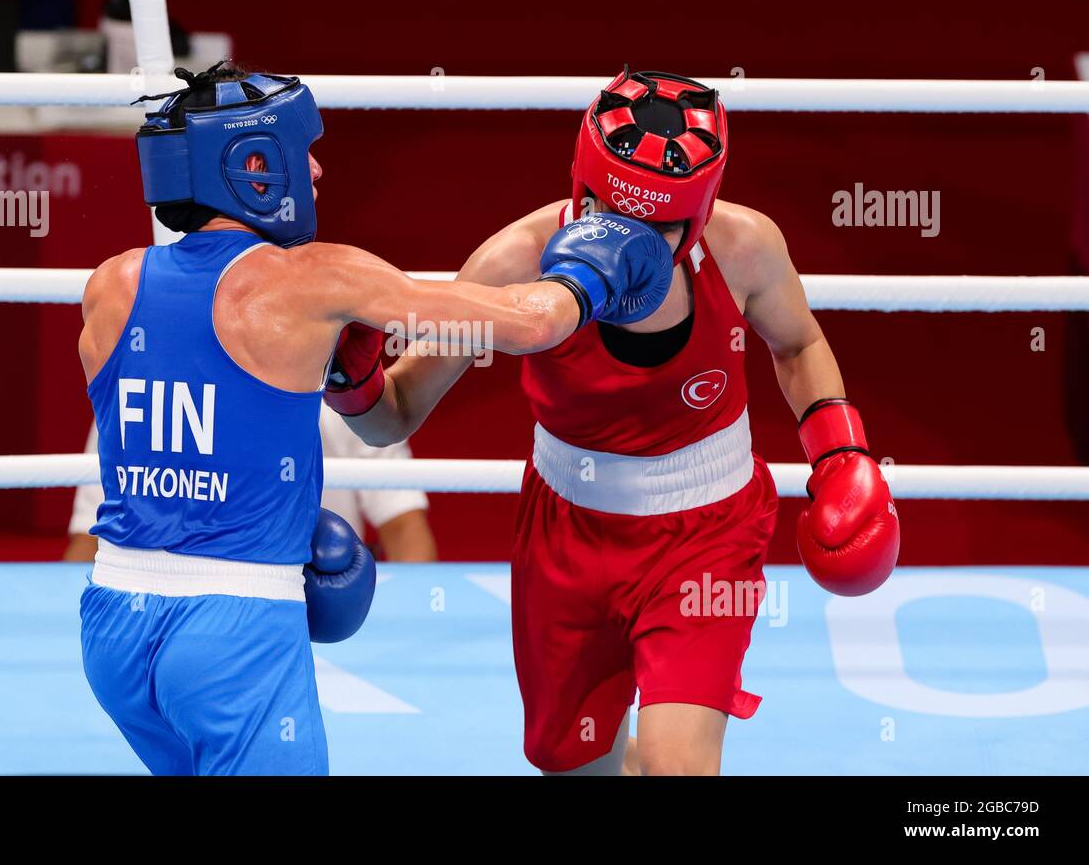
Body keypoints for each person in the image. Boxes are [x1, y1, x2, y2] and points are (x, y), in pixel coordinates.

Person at [76, 60, 676, 775]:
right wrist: (593, 271)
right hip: (231, 625)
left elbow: (202, 414)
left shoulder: (111, 286)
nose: (319, 172)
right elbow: (526, 323)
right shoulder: (317, 279)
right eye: (302, 153)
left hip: (113, 622)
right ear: (253, 164)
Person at [343, 69, 901, 775]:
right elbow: (392, 418)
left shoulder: (744, 248)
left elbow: (798, 343)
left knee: (679, 766)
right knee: (576, 764)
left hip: (708, 532)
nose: (628, 246)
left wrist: (840, 451)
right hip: (567, 538)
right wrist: (350, 381)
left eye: (659, 226)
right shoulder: (512, 265)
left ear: (699, 211)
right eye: (611, 214)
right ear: (582, 186)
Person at [65, 407, 437, 562]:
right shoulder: (143, 399)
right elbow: (90, 539)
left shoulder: (337, 391)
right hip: (174, 606)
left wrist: (413, 627)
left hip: (317, 608)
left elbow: (404, 527)